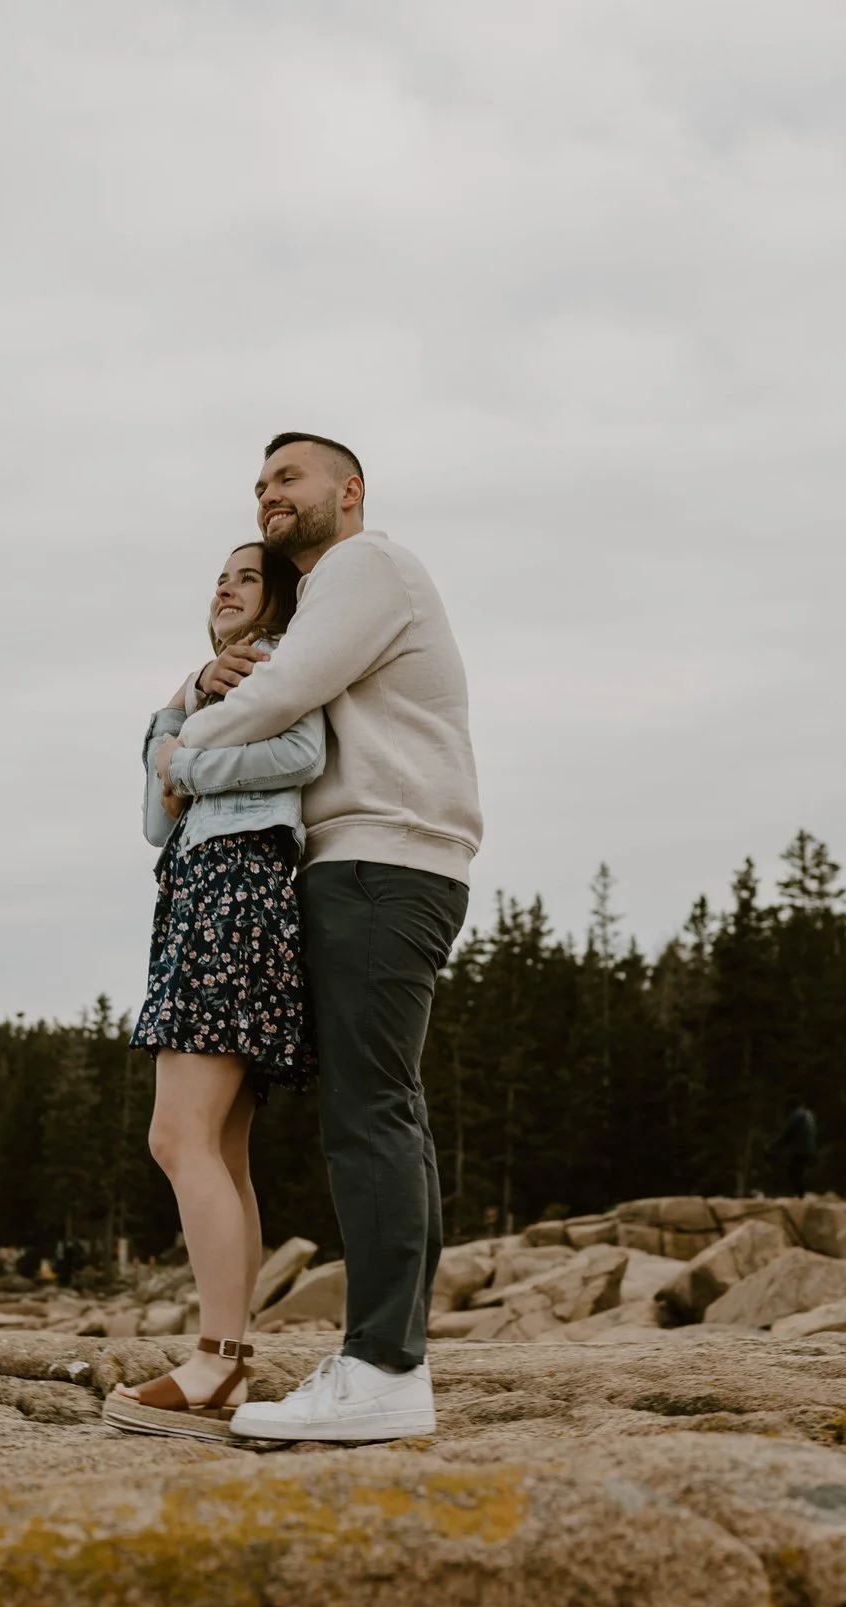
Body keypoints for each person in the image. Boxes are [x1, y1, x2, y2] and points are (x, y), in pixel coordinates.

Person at [157, 433, 481, 1444]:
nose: (268, 494)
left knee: (370, 1110)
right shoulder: (337, 588)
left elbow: (279, 700)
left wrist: (171, 748)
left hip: (385, 858)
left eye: (288, 477)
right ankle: (388, 1358)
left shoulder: (366, 566)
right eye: (258, 483)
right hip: (371, 858)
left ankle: (383, 1369)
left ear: (349, 490)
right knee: (383, 1106)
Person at [106, 542, 327, 1442]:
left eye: (245, 574)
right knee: (221, 1150)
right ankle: (224, 1364)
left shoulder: (276, 663)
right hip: (201, 891)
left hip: (236, 886)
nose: (225, 585)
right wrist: (183, 698)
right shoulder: (209, 685)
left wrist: (187, 762)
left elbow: (302, 753)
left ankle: (216, 1361)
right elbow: (154, 821)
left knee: (178, 1134)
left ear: (275, 598)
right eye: (219, 578)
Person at [770, 1104, 819, 1196]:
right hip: (809, 1149)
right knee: (799, 1172)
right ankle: (800, 1193)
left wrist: (774, 1146)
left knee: (793, 1172)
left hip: (801, 1150)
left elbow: (787, 1133)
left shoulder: (797, 1115)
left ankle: (799, 1195)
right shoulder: (808, 1114)